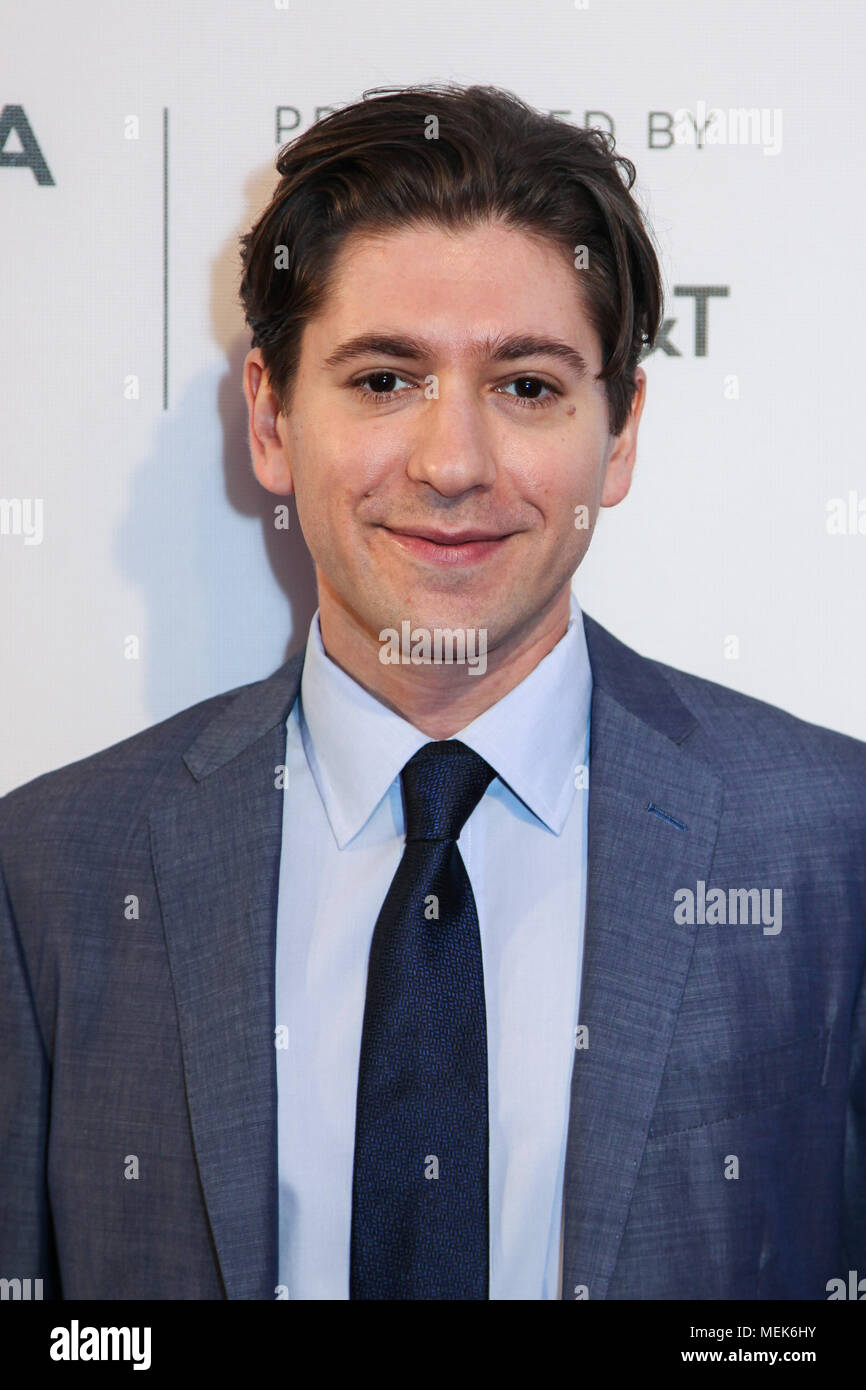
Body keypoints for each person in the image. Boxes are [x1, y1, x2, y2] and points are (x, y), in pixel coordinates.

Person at [1, 83, 864, 1302]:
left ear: (616, 437)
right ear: (268, 419)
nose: (451, 464)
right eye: (381, 379)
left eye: (525, 386)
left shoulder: (830, 841)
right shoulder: (52, 870)